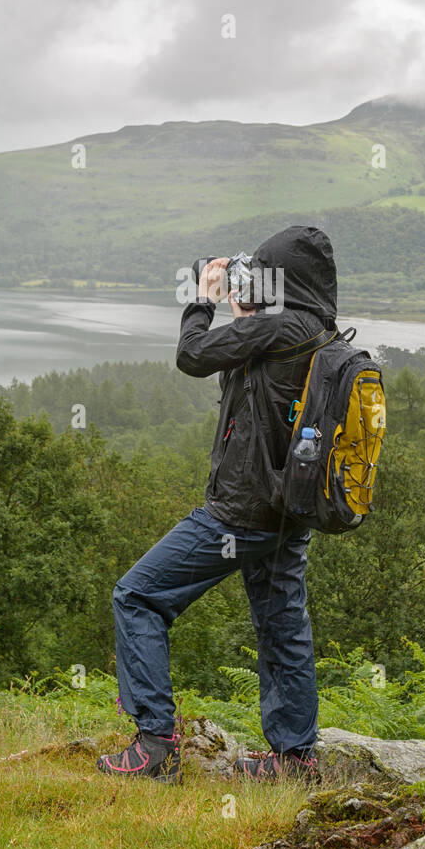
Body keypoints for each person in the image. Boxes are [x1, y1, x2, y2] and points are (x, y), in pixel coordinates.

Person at [97, 225, 337, 783]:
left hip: (241, 513)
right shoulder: (317, 331)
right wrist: (247, 311)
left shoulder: (275, 328)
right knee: (282, 625)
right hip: (289, 510)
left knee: (137, 595)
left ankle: (154, 742)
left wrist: (204, 299)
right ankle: (294, 758)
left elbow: (192, 355)